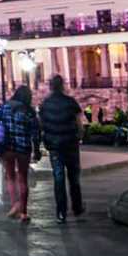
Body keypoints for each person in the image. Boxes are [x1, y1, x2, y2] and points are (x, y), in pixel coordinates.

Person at [40, 75, 84, 223]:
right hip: (71, 144)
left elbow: (42, 125)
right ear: (62, 85)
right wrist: (79, 136)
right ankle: (77, 207)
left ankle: (61, 212)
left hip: (55, 146)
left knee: (58, 178)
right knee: (74, 178)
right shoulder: (70, 102)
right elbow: (79, 123)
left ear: (51, 86)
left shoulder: (45, 104)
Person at [0, 84, 41, 223]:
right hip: (23, 147)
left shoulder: (4, 107)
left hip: (7, 147)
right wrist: (37, 149)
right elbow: (35, 132)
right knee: (22, 178)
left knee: (10, 176)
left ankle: (15, 204)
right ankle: (23, 212)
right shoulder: (29, 111)